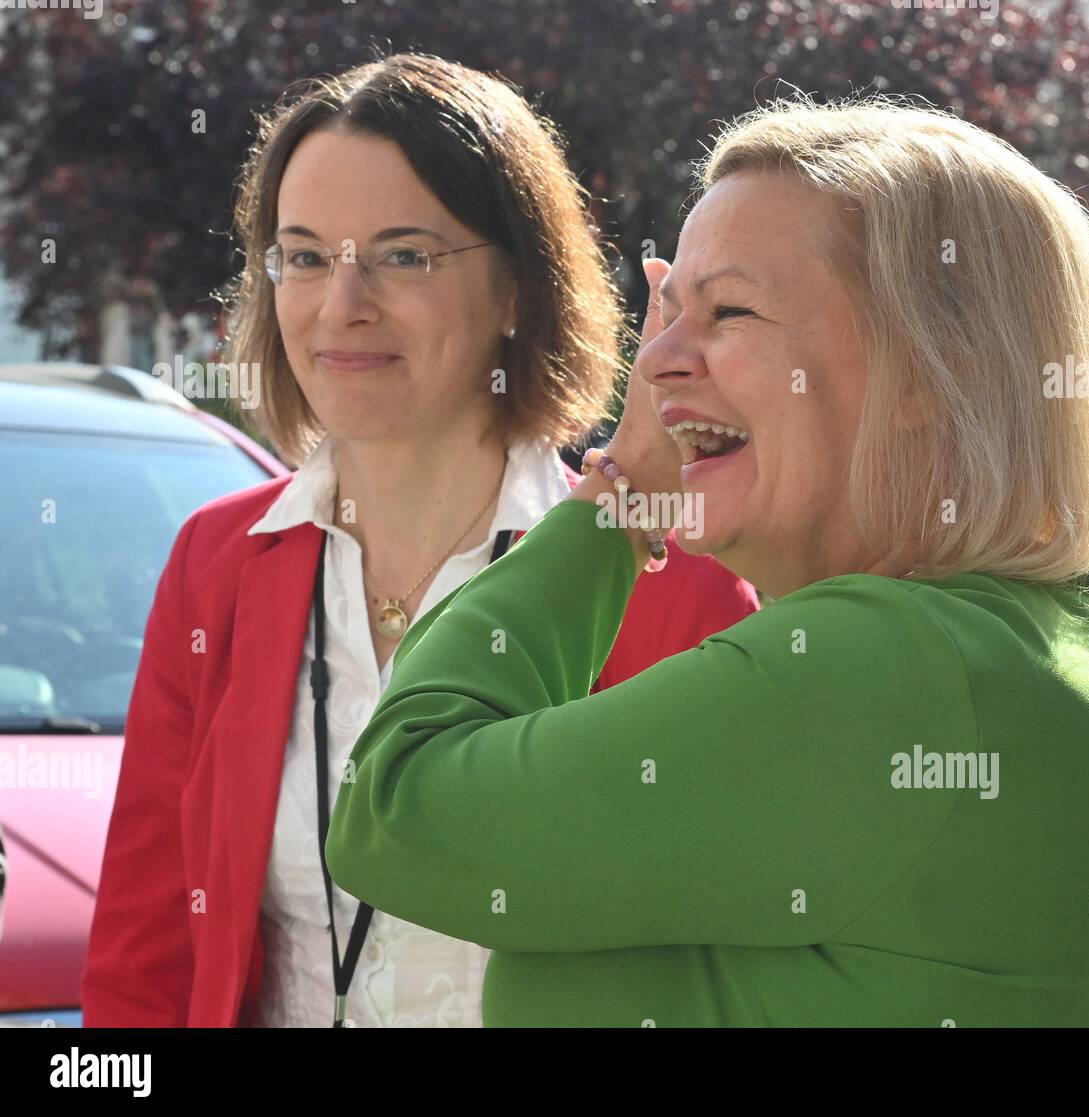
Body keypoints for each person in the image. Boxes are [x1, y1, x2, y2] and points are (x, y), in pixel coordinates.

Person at [325, 96, 1089, 1027]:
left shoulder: (887, 665)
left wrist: (617, 503)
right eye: (669, 312)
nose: (652, 364)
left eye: (726, 309)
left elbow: (396, 807)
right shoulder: (1033, 635)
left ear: (930, 373)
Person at [81, 54, 758, 1029]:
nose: (340, 302)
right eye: (305, 256)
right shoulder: (216, 563)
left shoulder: (674, 587)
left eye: (403, 255)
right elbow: (142, 963)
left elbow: (723, 959)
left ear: (518, 288)